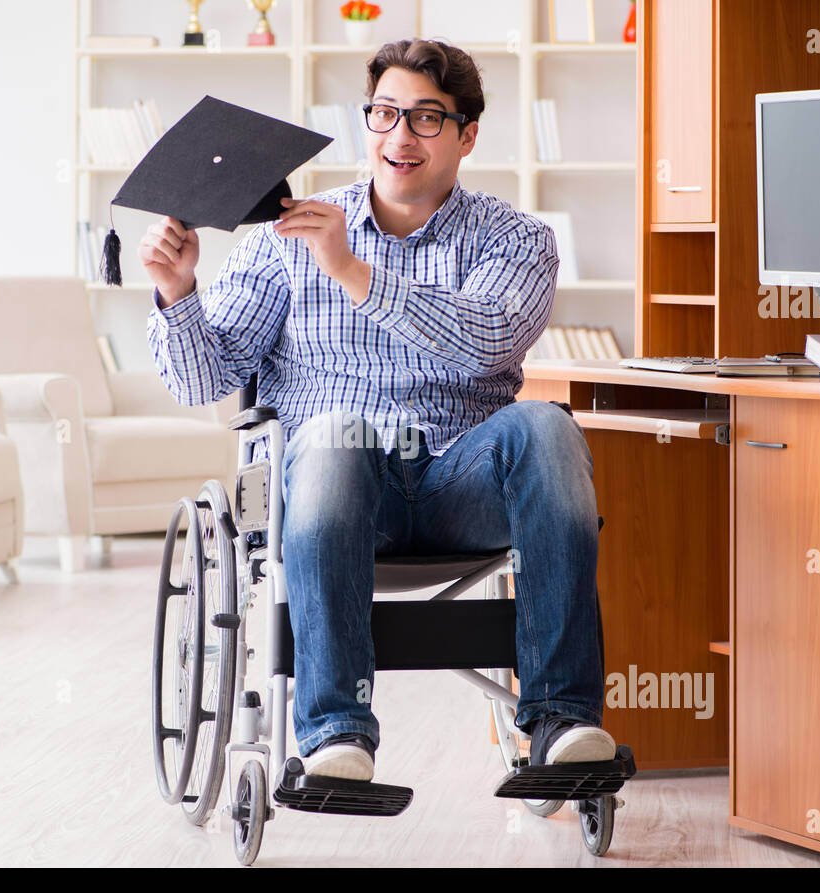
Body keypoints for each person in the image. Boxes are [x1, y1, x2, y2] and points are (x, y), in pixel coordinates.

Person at [143, 38, 613, 781]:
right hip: (334, 486)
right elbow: (206, 377)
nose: (400, 137)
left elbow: (487, 341)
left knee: (546, 425)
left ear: (467, 135)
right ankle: (336, 734)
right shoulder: (285, 236)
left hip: (461, 482)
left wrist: (356, 274)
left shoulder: (518, 239)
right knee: (337, 431)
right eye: (386, 113)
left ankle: (561, 722)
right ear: (366, 123)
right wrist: (178, 293)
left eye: (427, 118)